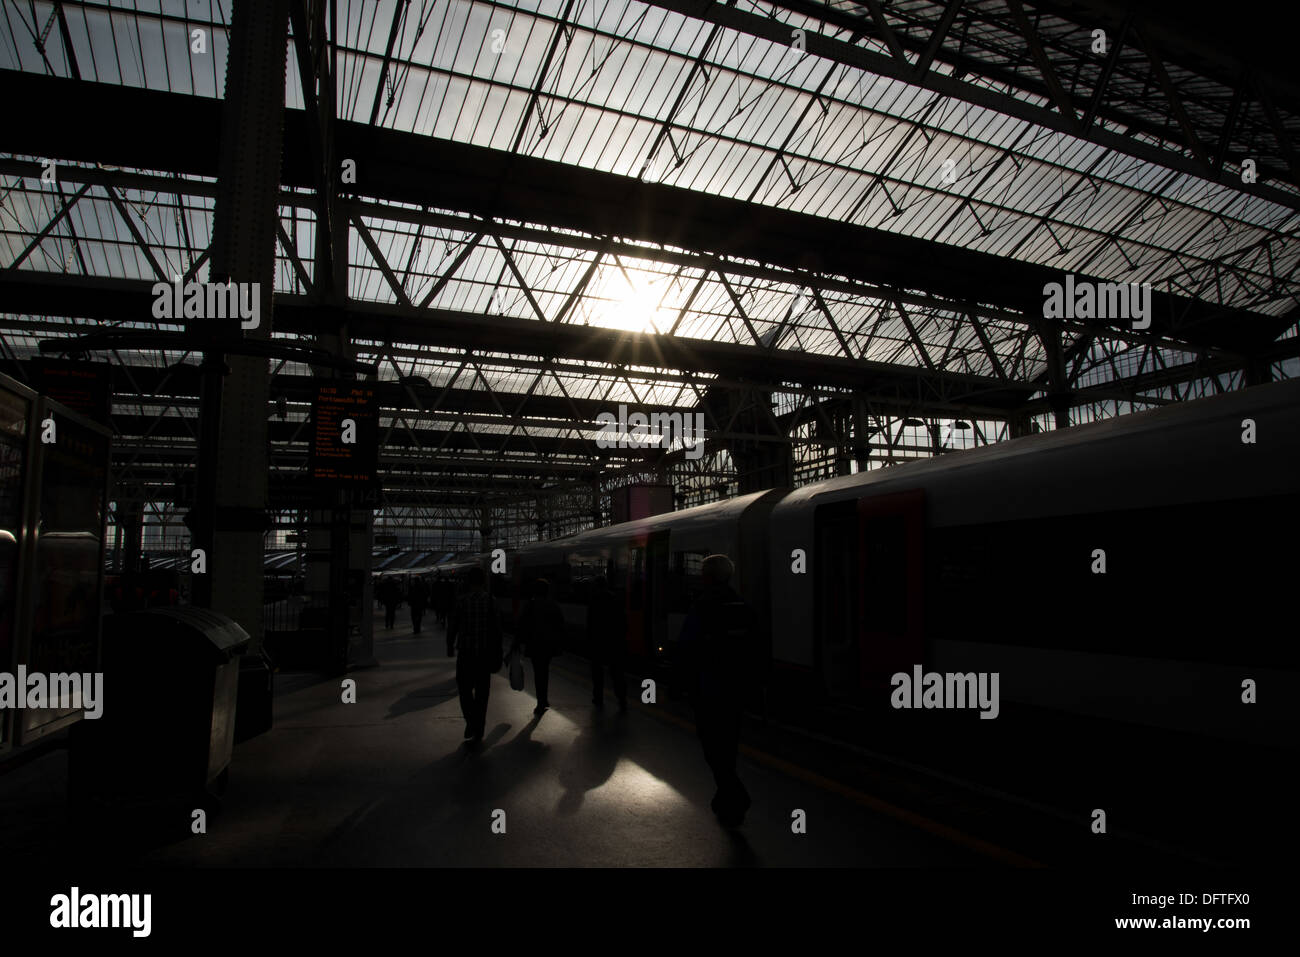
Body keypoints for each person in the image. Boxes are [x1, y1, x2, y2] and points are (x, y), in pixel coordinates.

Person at [675, 554, 757, 828]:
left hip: (708, 689)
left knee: (712, 747)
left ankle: (736, 795)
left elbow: (687, 648)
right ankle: (727, 801)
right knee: (728, 745)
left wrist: (681, 685)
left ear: (707, 577)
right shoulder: (743, 606)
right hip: (737, 690)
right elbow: (757, 648)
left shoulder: (702, 607)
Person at [447, 566, 503, 742]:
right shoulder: (491, 601)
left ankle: (470, 721)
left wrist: (450, 644)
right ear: (484, 581)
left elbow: (453, 625)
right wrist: (499, 649)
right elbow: (498, 629)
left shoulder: (461, 601)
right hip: (485, 654)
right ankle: (479, 728)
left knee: (464, 690)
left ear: (468, 581)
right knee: (482, 693)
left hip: (466, 653)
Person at [515, 578, 565, 716]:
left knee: (539, 672)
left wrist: (518, 642)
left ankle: (541, 701)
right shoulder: (553, 605)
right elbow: (560, 625)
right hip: (548, 645)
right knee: (545, 671)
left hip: (535, 644)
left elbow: (521, 625)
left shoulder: (530, 605)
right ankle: (544, 699)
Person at [587, 576, 627, 711]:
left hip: (598, 641)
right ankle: (622, 699)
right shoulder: (615, 599)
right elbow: (622, 621)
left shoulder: (594, 600)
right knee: (617, 673)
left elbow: (590, 623)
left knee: (597, 672)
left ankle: (598, 698)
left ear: (597, 587)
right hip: (614, 642)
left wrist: (590, 639)